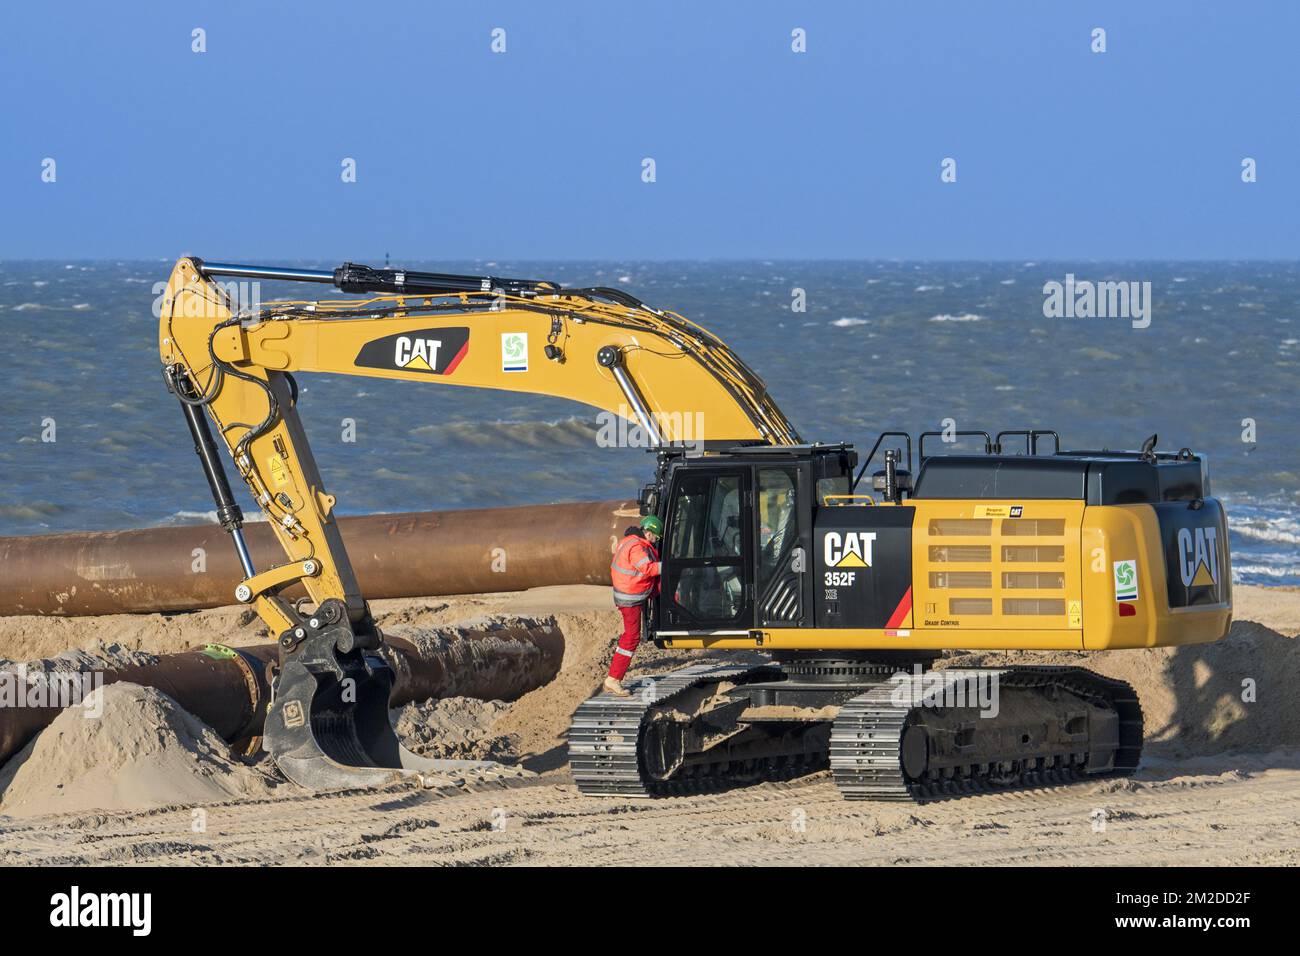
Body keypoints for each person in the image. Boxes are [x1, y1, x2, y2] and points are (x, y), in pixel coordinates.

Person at [602, 514, 663, 696]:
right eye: (656, 537)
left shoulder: (628, 541)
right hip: (630, 598)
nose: (655, 541)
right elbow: (648, 568)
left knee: (631, 636)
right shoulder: (637, 546)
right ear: (649, 532)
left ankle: (614, 678)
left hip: (628, 594)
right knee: (631, 637)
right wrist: (668, 566)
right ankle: (614, 679)